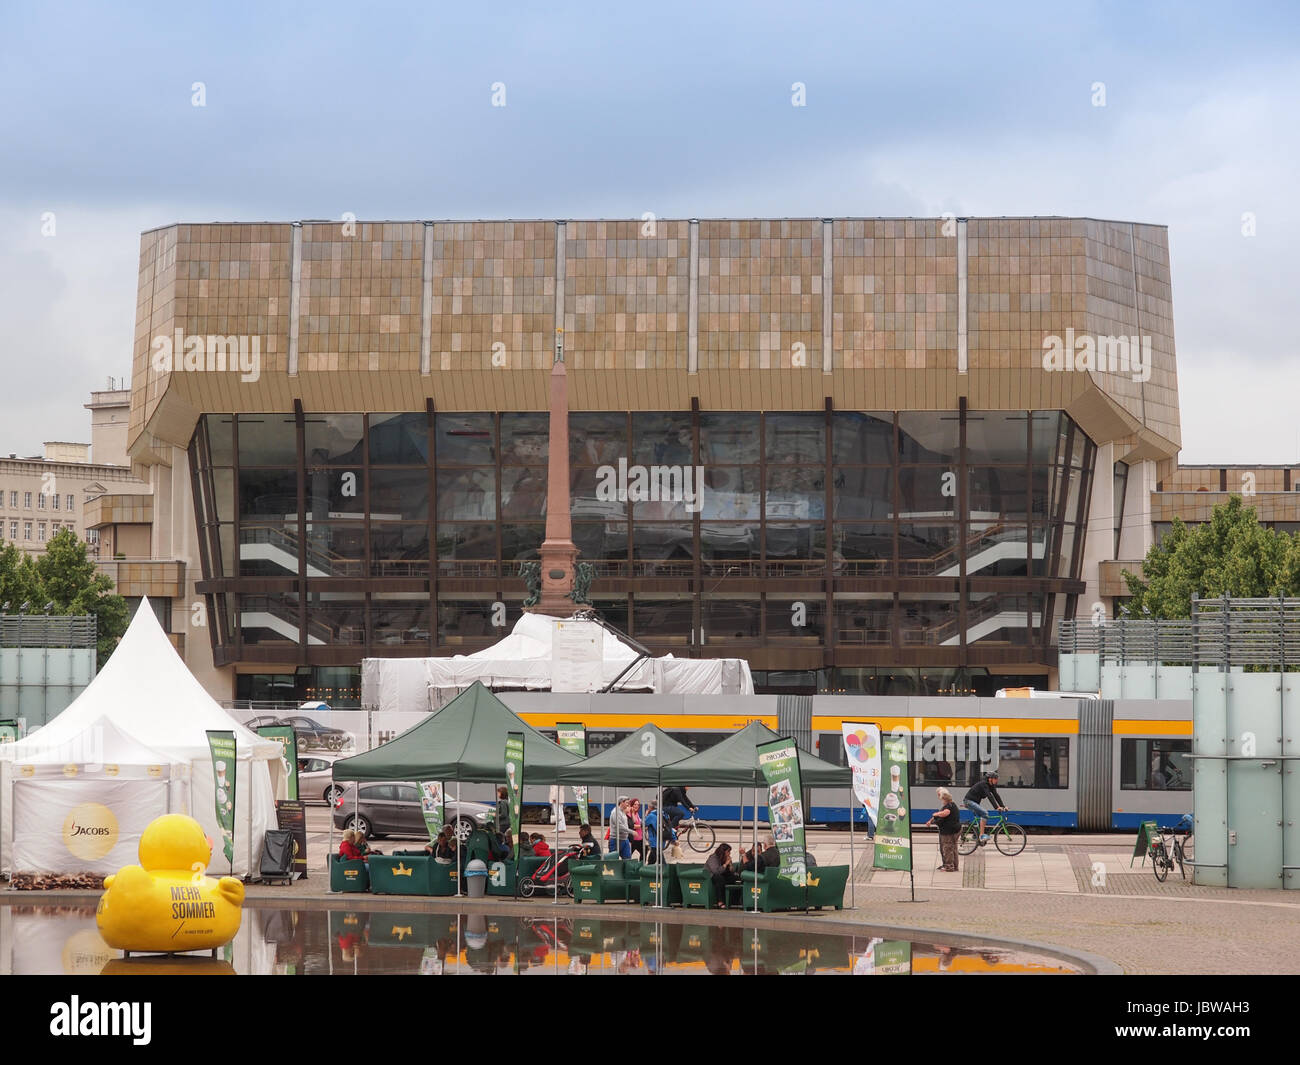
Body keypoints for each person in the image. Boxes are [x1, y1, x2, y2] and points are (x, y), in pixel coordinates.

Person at [963, 770, 1007, 844]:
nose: (997, 780)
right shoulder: (983, 784)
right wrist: (996, 807)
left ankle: (975, 835)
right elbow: (989, 796)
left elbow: (996, 795)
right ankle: (981, 836)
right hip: (969, 801)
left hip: (974, 802)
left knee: (982, 817)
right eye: (995, 779)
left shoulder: (991, 785)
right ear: (990, 779)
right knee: (985, 813)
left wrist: (1003, 806)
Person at [926, 787, 960, 872]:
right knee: (953, 848)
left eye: (941, 798)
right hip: (952, 830)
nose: (941, 800)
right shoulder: (951, 805)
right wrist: (933, 819)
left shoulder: (949, 806)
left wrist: (936, 814)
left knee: (948, 848)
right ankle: (954, 866)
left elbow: (945, 813)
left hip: (949, 831)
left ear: (944, 799)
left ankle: (949, 867)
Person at [704, 843, 739, 907]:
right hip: (712, 877)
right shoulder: (713, 858)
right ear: (723, 852)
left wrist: (730, 865)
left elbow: (730, 872)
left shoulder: (725, 858)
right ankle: (720, 901)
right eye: (728, 852)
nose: (729, 854)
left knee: (734, 878)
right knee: (719, 878)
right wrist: (725, 864)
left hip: (722, 875)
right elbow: (716, 871)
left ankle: (734, 900)